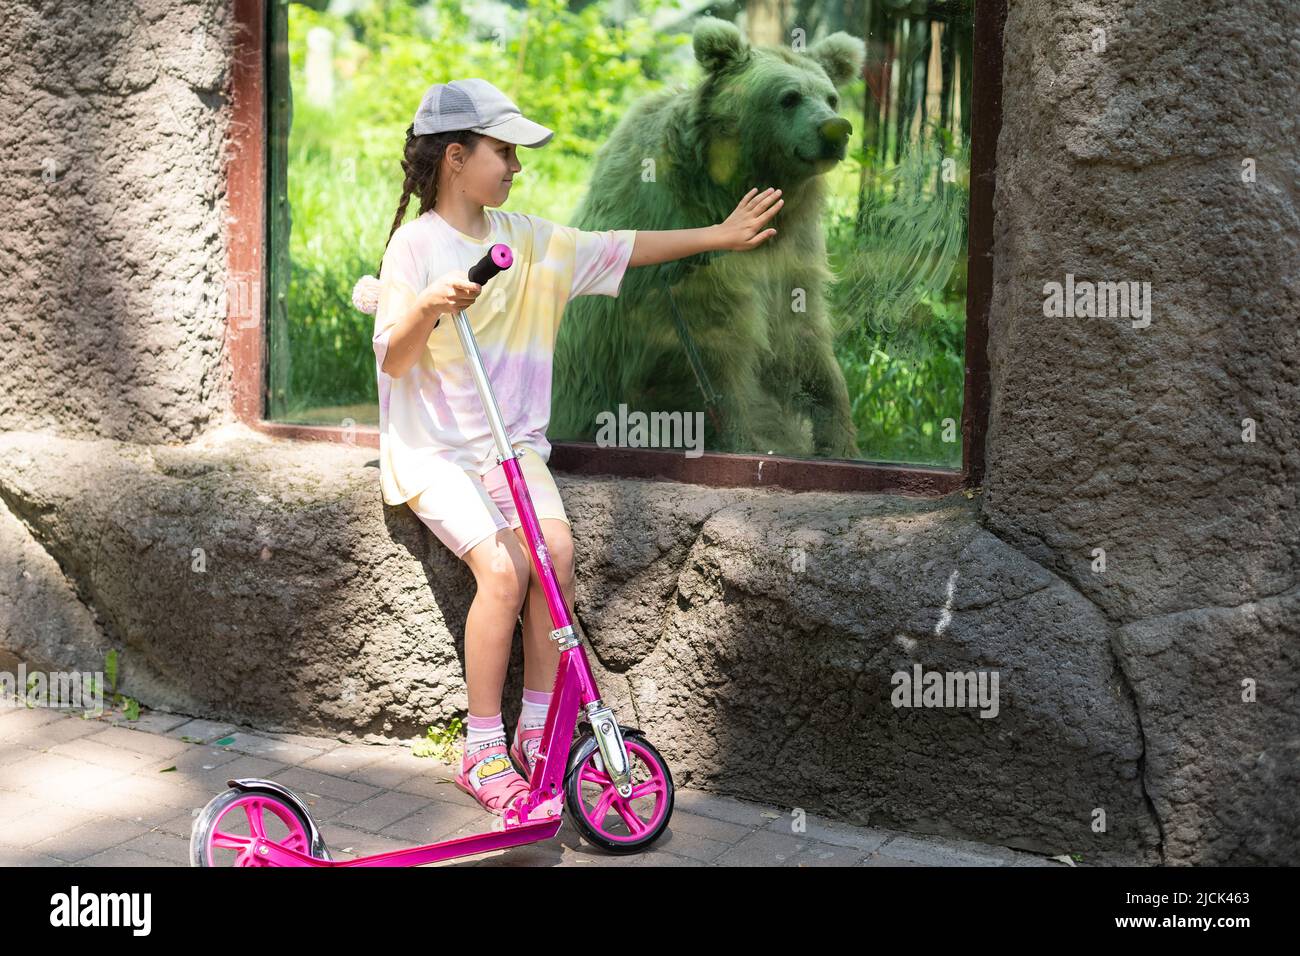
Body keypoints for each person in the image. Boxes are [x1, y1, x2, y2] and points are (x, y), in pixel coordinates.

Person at [353, 78, 782, 816]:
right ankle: (482, 749)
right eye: (503, 152)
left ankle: (537, 734)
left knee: (554, 559)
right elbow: (393, 359)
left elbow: (620, 246)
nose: (515, 167)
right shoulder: (415, 247)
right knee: (503, 567)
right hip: (435, 452)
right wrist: (427, 304)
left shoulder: (527, 240)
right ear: (456, 157)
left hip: (510, 450)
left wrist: (718, 234)